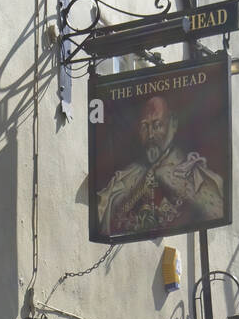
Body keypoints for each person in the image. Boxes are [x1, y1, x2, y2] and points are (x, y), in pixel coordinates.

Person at [95, 95, 225, 237]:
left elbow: (216, 210)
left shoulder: (194, 173)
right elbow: (103, 213)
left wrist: (170, 182)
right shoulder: (126, 175)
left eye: (157, 126)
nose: (150, 134)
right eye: (145, 127)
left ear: (173, 124)